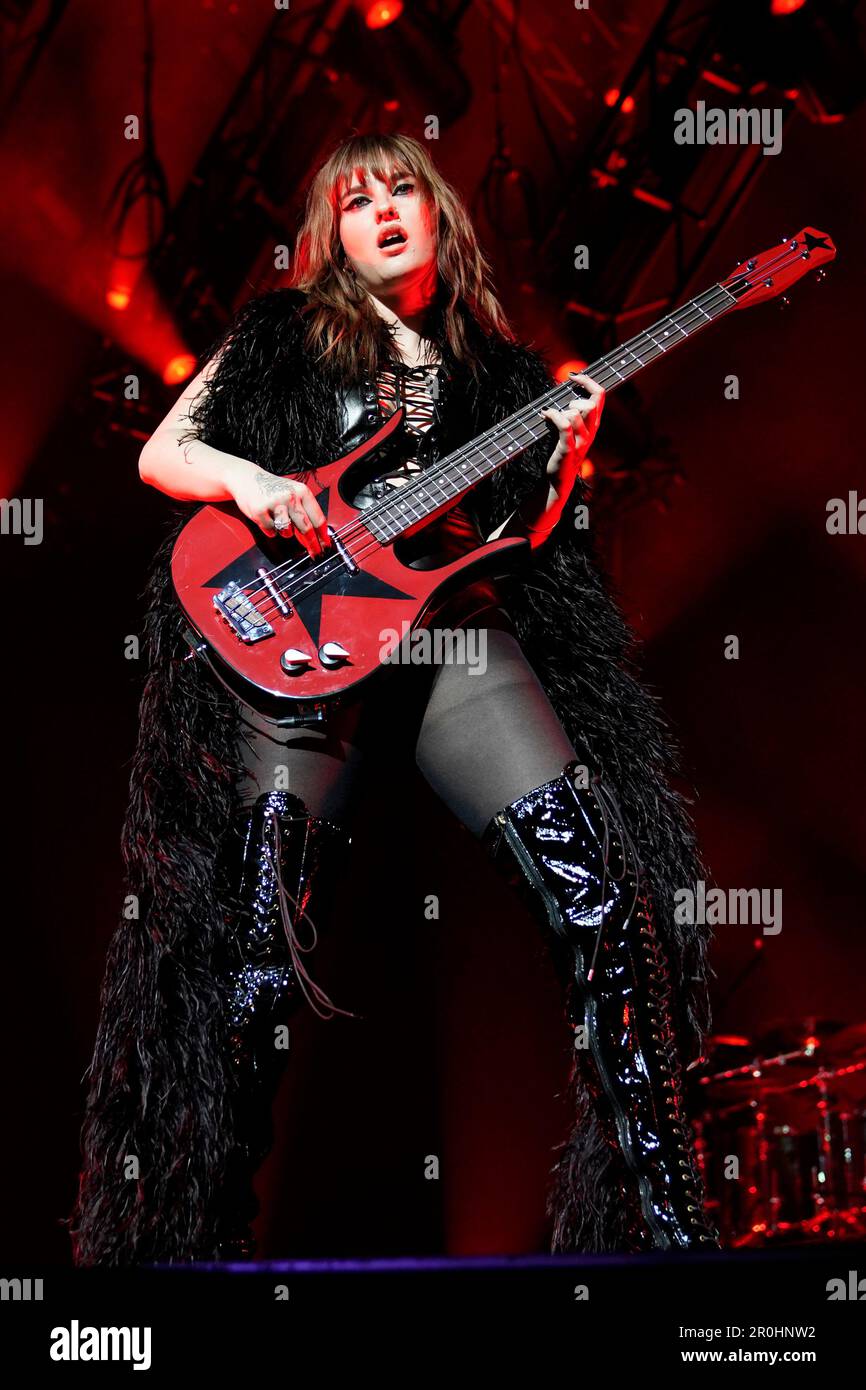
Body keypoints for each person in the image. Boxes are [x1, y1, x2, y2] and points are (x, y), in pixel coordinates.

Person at [69, 132, 720, 1265]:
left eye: (400, 190)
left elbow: (525, 545)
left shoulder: (498, 371)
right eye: (353, 197)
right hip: (305, 632)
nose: (379, 210)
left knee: (603, 903)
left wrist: (567, 460)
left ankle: (670, 1235)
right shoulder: (281, 333)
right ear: (329, 233)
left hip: (451, 638)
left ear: (438, 218)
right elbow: (165, 452)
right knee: (261, 956)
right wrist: (257, 481)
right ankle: (204, 1245)